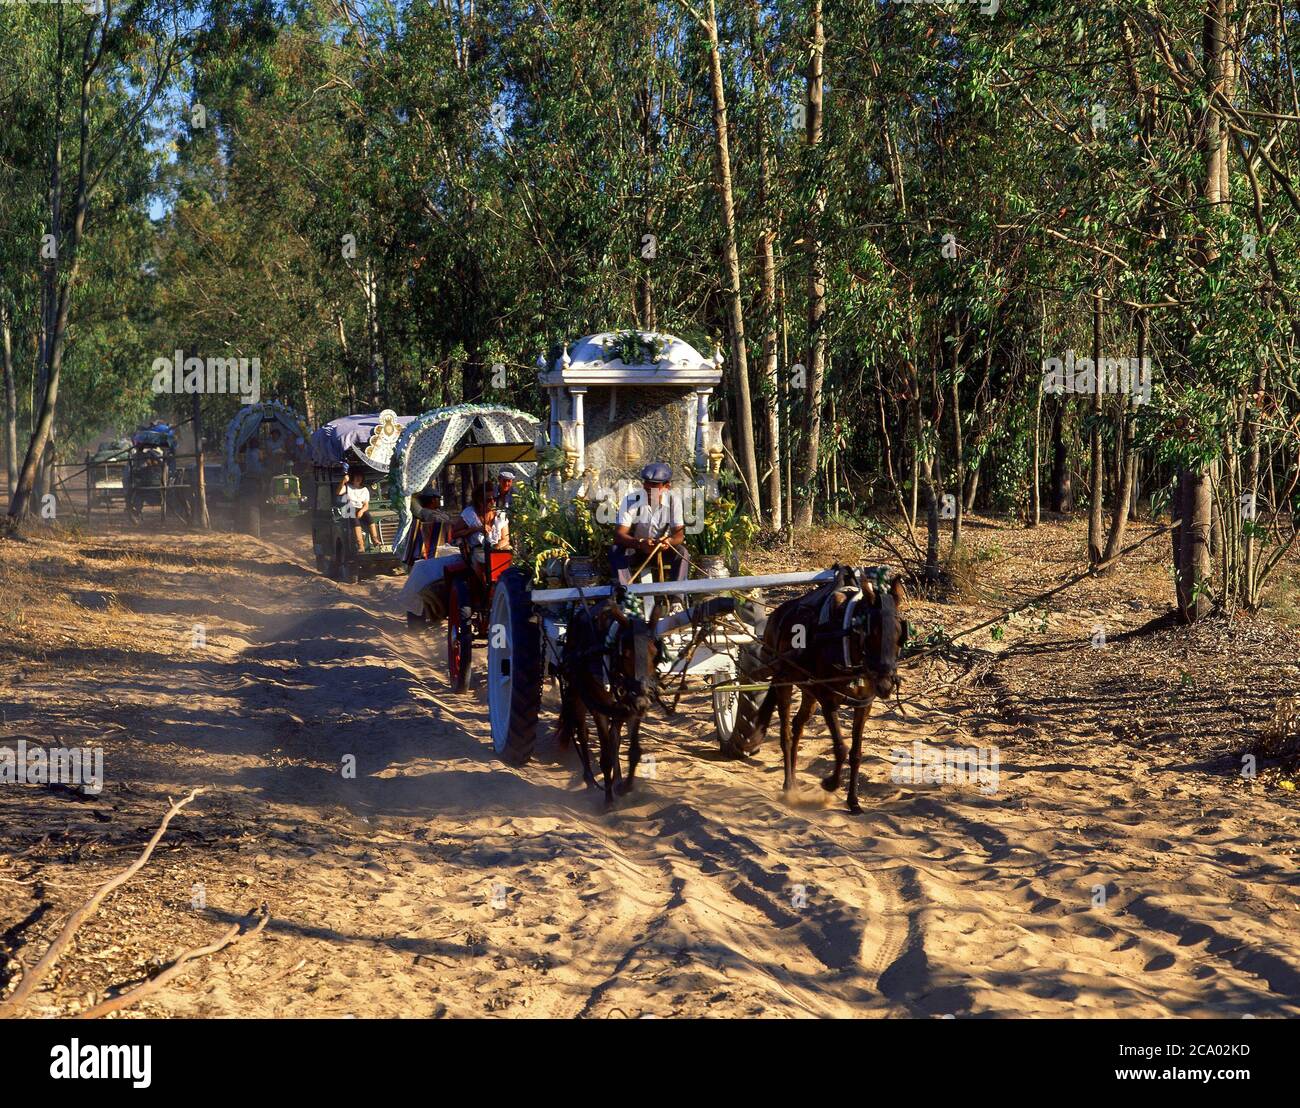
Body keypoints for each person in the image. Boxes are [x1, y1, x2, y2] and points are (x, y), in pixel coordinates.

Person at [610, 461, 687, 585]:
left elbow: (679, 536)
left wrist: (668, 542)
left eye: (655, 485)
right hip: (636, 549)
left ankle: (676, 599)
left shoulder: (674, 501)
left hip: (662, 550)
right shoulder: (631, 500)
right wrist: (640, 543)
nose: (649, 487)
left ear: (667, 487)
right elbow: (619, 535)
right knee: (616, 550)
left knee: (682, 552)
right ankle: (625, 596)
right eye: (646, 483)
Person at [450, 483, 507, 564]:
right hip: (478, 551)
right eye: (488, 500)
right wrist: (475, 529)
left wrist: (495, 549)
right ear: (479, 501)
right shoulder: (470, 514)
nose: (492, 502)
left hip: (498, 550)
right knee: (485, 562)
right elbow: (454, 534)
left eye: (494, 498)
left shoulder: (500, 515)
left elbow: (505, 539)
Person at [336, 465, 381, 552]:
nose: (358, 479)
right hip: (350, 508)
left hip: (361, 509)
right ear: (352, 477)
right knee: (356, 522)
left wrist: (361, 511)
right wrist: (343, 481)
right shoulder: (347, 487)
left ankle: (375, 540)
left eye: (360, 477)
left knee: (370, 519)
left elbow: (366, 505)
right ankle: (360, 545)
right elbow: (338, 492)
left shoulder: (364, 489)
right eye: (356, 477)